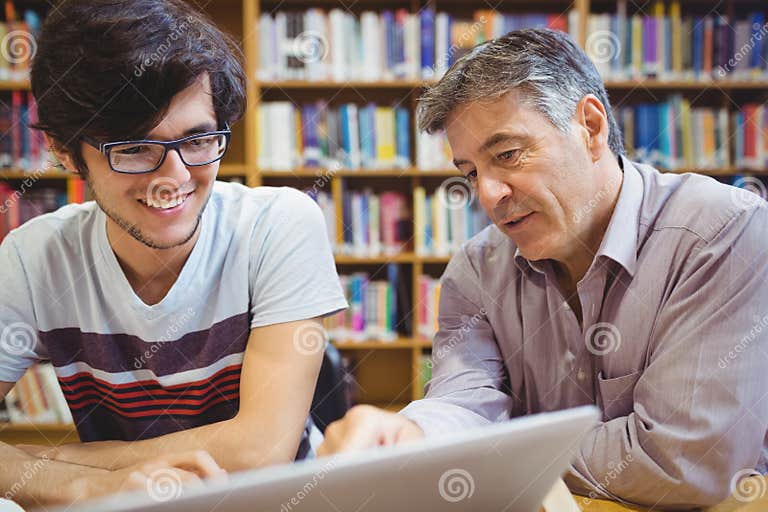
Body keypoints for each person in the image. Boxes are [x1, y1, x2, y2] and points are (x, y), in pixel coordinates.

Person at [318, 28, 768, 508]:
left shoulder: (723, 232)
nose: (487, 196)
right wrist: (410, 433)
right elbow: (464, 402)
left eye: (507, 155)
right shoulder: (475, 269)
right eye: (471, 172)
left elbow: (685, 462)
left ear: (590, 128)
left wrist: (491, 446)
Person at [0, 0, 346, 506]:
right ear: (63, 149)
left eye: (198, 138)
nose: (175, 179)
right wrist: (90, 485)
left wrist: (54, 467)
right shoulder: (36, 258)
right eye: (135, 148)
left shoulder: (279, 224)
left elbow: (258, 454)